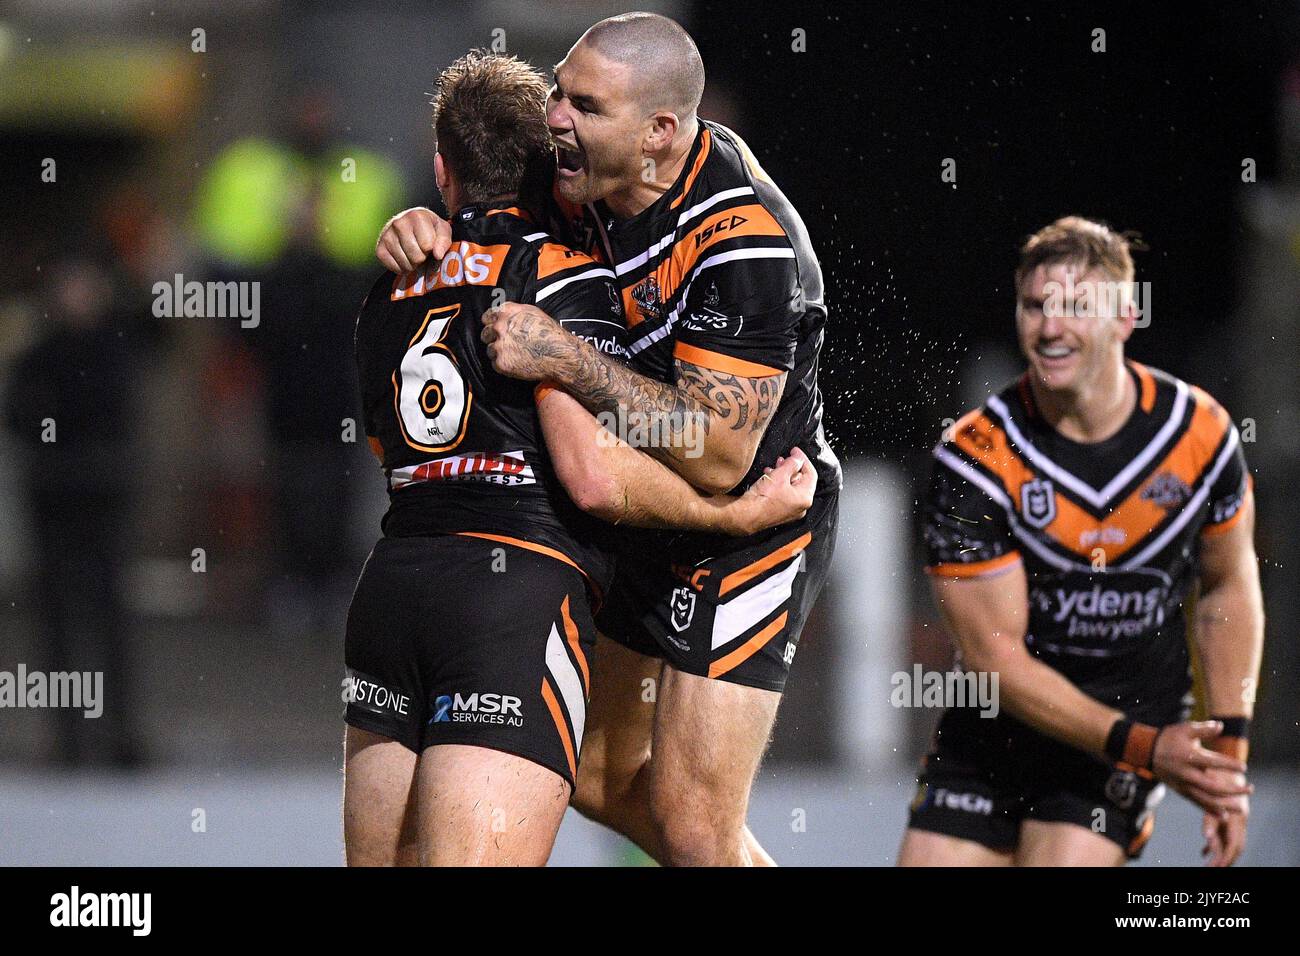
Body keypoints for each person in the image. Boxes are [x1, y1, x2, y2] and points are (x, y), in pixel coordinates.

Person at [375, 12, 840, 865]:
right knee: (592, 774)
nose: (556, 116)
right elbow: (480, 226)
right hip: (641, 503)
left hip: (755, 512)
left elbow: (718, 452)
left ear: (659, 133)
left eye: (585, 105)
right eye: (558, 87)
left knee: (696, 822)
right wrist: (422, 229)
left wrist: (570, 360)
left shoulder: (746, 241)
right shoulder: (577, 175)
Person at [899, 217, 1263, 866]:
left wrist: (1226, 759)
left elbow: (1228, 585)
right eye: (1034, 306)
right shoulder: (974, 457)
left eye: (1075, 308)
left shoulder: (1200, 437)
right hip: (996, 734)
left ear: (1126, 318)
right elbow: (995, 661)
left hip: (1121, 733)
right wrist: (1152, 749)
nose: (1049, 328)